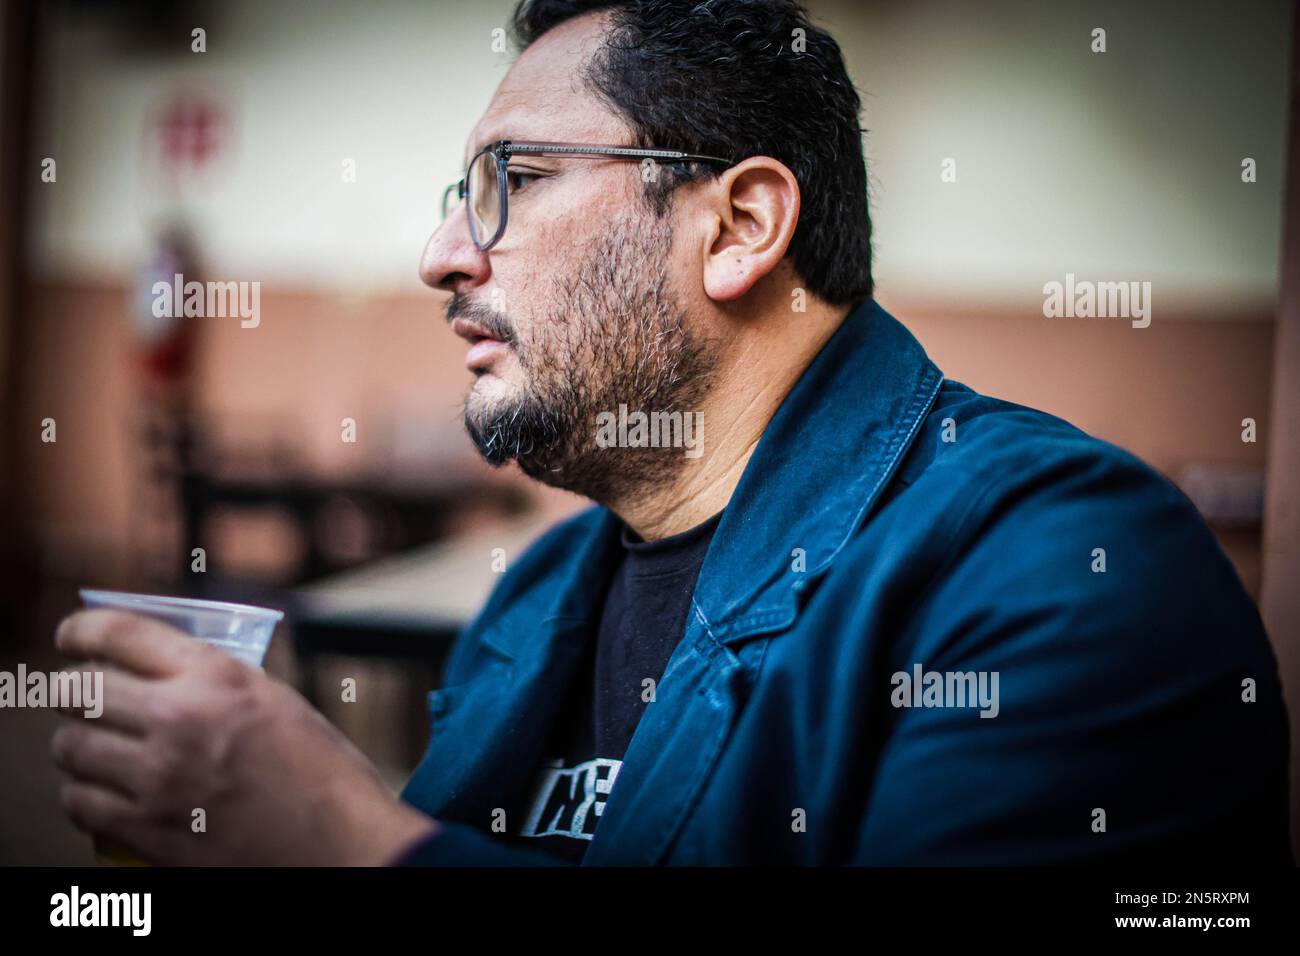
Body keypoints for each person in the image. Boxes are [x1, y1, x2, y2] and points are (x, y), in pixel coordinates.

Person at [52, 0, 1291, 866]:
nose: (440, 255)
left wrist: (352, 840)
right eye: (454, 198)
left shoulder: (1068, 575)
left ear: (740, 224)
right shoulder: (532, 598)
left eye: (513, 180)